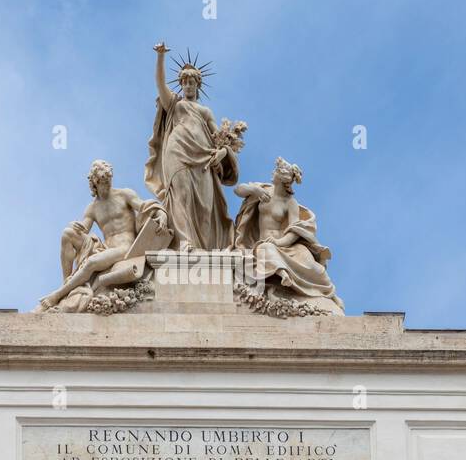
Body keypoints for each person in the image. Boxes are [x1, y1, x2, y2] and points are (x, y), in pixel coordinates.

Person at [144, 42, 239, 251]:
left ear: (198, 85)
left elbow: (220, 139)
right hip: (177, 152)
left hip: (204, 157)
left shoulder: (205, 112)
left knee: (206, 204)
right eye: (184, 82)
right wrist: (160, 57)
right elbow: (160, 84)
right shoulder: (175, 104)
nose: (187, 86)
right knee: (180, 196)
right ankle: (185, 241)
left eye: (191, 82)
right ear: (181, 84)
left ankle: (204, 247)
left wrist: (223, 151)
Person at [38, 160, 166, 311]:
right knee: (68, 233)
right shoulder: (92, 208)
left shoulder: (124, 194)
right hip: (105, 248)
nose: (108, 185)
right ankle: (66, 282)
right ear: (95, 183)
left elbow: (144, 206)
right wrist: (77, 226)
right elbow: (83, 229)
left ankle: (57, 295)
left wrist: (161, 212)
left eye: (109, 180)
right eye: (104, 182)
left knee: (91, 262)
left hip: (126, 247)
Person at [233, 157, 343, 313]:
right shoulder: (262, 189)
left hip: (285, 243)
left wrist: (281, 242)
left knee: (310, 263)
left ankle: (329, 293)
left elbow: (295, 229)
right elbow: (238, 189)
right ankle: (284, 275)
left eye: (276, 171)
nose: (273, 172)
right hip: (264, 242)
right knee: (266, 249)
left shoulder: (290, 203)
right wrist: (253, 190)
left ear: (282, 178)